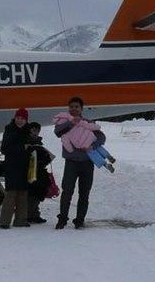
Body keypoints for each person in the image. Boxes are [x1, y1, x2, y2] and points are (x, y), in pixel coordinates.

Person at [53, 96, 109, 229]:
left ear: (81, 109)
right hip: (71, 162)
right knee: (67, 191)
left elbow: (102, 137)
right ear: (68, 108)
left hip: (87, 163)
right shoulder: (64, 122)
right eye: (71, 107)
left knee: (84, 192)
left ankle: (79, 220)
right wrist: (72, 123)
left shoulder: (88, 123)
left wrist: (93, 145)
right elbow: (57, 132)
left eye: (76, 107)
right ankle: (62, 219)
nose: (74, 109)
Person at [52, 111, 117, 173]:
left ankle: (105, 164)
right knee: (98, 147)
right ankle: (108, 156)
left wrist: (70, 150)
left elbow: (67, 144)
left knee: (93, 154)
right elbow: (88, 125)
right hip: (91, 138)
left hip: (83, 146)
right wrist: (97, 127)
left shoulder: (64, 134)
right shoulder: (78, 122)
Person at [0, 108, 31, 228]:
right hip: (12, 166)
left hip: (24, 166)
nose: (20, 120)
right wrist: (23, 148)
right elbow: (4, 149)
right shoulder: (9, 129)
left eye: (22, 118)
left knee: (23, 193)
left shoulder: (28, 130)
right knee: (10, 194)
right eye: (18, 118)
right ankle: (4, 221)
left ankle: (21, 220)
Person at [25, 122, 56, 223]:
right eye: (33, 130)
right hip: (30, 171)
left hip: (38, 171)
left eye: (37, 130)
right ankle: (30, 214)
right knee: (33, 193)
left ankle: (34, 214)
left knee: (38, 192)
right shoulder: (27, 142)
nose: (36, 132)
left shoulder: (37, 142)